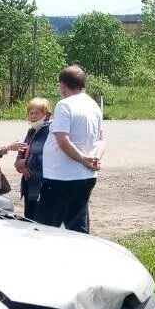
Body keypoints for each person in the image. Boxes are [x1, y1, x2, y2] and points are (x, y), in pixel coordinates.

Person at [36, 65, 104, 233]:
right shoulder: (93, 105)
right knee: (77, 227)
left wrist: (83, 158)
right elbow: (101, 139)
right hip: (86, 176)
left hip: (61, 177)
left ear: (63, 85)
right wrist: (95, 158)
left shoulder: (64, 105)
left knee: (46, 228)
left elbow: (62, 140)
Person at [14, 97, 53, 221]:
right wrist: (20, 165)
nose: (33, 116)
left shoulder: (49, 131)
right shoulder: (31, 131)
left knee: (39, 221)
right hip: (28, 183)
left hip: (42, 184)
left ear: (46, 115)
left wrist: (25, 163)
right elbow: (22, 151)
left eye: (37, 113)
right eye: (31, 113)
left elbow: (44, 156)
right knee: (29, 218)